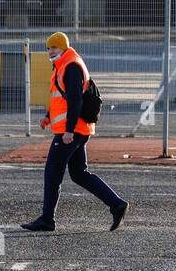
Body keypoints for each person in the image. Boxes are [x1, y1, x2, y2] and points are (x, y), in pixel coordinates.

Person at [21, 32, 128, 232]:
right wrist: (48, 116)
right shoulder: (63, 64)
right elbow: (61, 97)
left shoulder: (70, 66)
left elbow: (76, 100)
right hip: (75, 129)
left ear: (63, 47)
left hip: (72, 131)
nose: (50, 51)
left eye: (53, 47)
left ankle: (47, 219)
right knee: (79, 174)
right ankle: (117, 204)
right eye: (48, 48)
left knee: (52, 172)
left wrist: (68, 131)